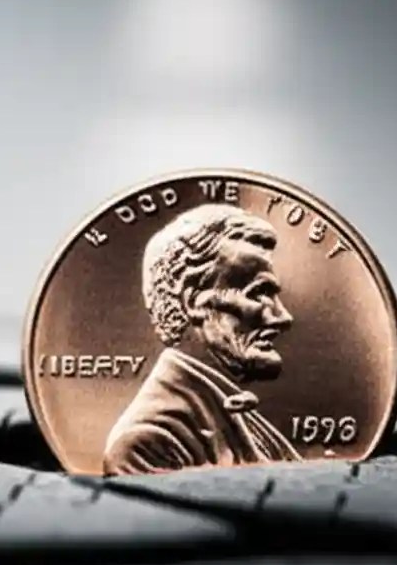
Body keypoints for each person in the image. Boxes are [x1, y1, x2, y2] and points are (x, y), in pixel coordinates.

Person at [103, 203, 302, 475]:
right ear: (193, 302)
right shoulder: (146, 442)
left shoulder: (228, 406)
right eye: (258, 294)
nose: (283, 316)